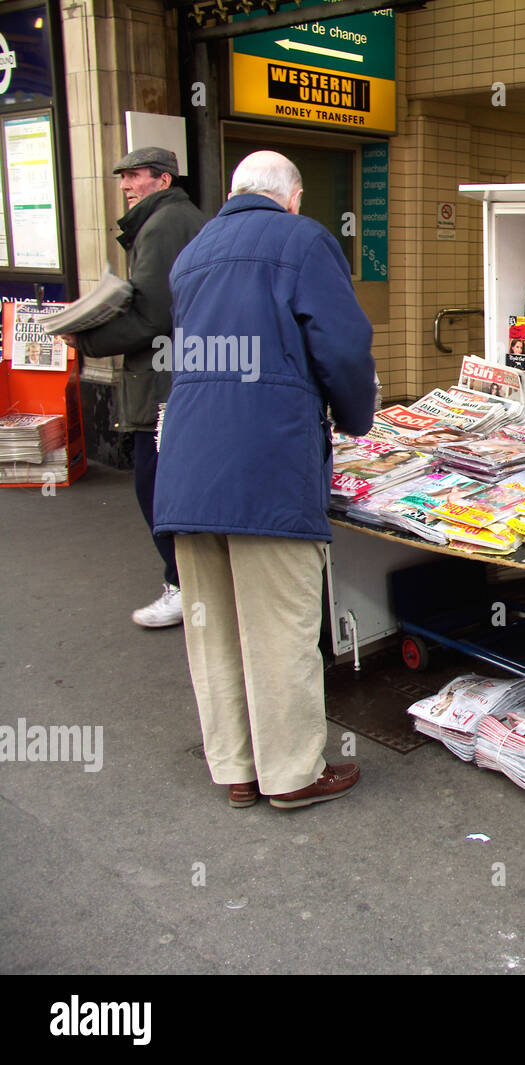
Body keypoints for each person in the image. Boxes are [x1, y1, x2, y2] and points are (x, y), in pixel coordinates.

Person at [153, 151, 375, 810]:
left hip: (189, 464)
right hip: (266, 465)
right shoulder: (303, 240)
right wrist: (356, 418)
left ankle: (237, 770)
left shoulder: (191, 254)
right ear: (293, 197)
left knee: (212, 625)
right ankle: (292, 774)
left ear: (234, 193)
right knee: (279, 627)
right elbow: (341, 344)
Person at [67, 147, 205, 628]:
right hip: (178, 376)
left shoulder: (165, 224)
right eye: (122, 177)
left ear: (163, 180)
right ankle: (190, 585)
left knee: (156, 488)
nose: (126, 185)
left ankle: (184, 587)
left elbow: (154, 312)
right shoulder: (172, 219)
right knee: (169, 485)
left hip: (163, 384)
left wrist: (86, 337)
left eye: (135, 176)